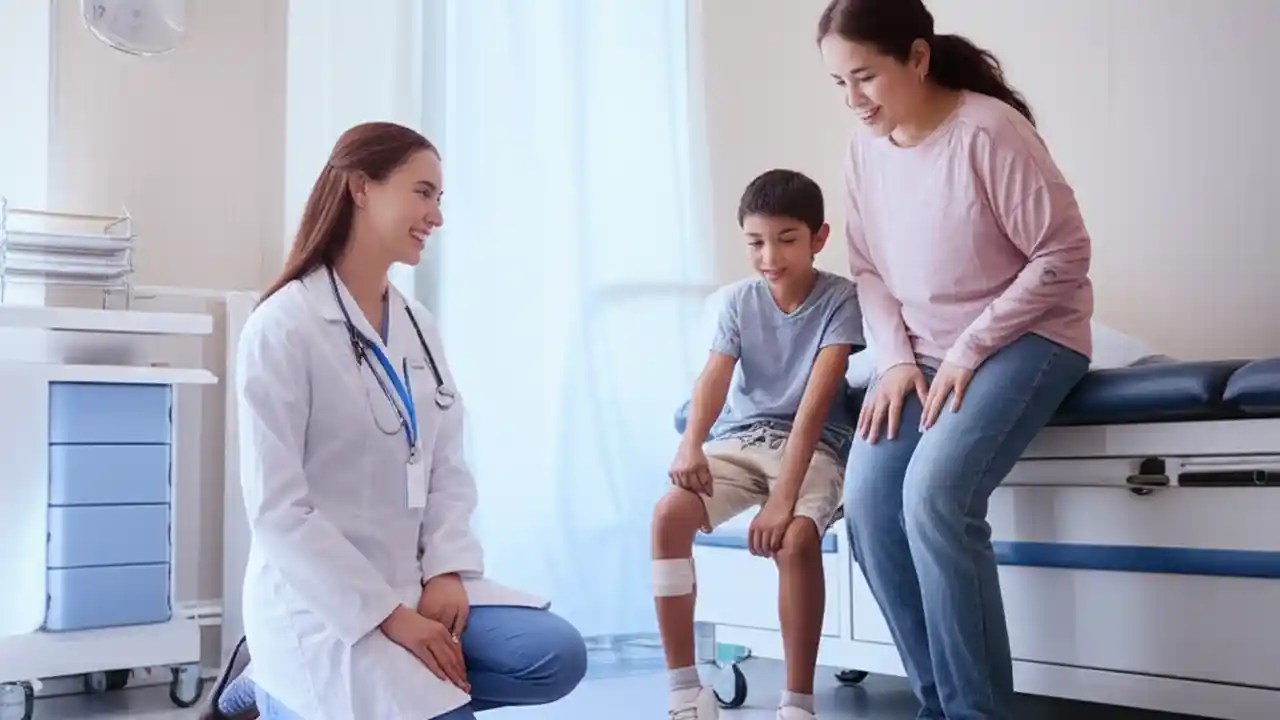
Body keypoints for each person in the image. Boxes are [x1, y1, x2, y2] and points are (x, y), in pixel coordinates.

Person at [203, 121, 587, 720]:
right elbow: (279, 512)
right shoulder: (282, 326)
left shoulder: (418, 326)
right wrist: (391, 618)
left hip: (410, 579)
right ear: (361, 188)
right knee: (420, 702)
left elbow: (446, 463)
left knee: (554, 655)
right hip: (320, 603)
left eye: (439, 197)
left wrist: (446, 571)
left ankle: (394, 685)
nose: (437, 215)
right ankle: (269, 680)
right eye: (423, 192)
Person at [815, 1, 1094, 719]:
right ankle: (939, 705)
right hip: (925, 353)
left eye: (865, 77)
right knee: (869, 506)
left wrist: (970, 349)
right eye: (840, 83)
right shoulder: (863, 152)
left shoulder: (989, 131)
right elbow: (869, 270)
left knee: (934, 497)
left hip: (1030, 338)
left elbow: (1063, 255)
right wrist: (894, 360)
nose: (853, 100)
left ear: (917, 57)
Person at [652, 169, 865, 720]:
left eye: (786, 240)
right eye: (755, 242)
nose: (769, 256)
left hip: (813, 446)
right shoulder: (739, 302)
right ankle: (685, 690)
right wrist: (690, 445)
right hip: (741, 439)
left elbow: (814, 407)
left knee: (795, 540)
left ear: (818, 237)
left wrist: (781, 499)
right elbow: (714, 378)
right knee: (668, 516)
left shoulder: (841, 300)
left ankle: (797, 703)